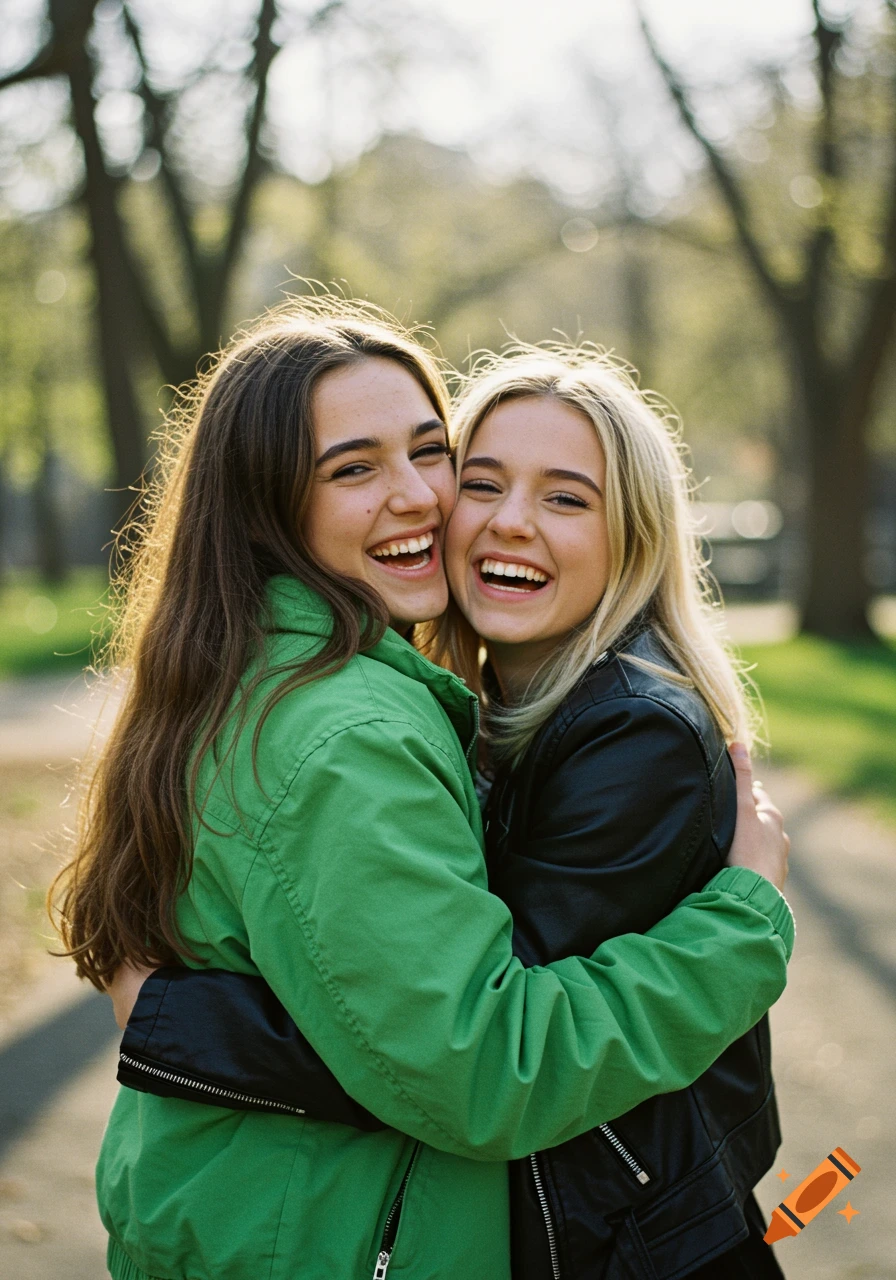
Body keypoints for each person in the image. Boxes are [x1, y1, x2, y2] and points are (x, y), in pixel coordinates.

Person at [53, 300, 792, 1280]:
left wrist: (178, 1022)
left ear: (636, 532)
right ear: (267, 501)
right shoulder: (352, 724)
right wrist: (739, 930)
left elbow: (458, 1051)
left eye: (424, 453)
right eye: (354, 467)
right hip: (314, 1228)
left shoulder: (614, 729)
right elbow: (458, 1053)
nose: (424, 499)